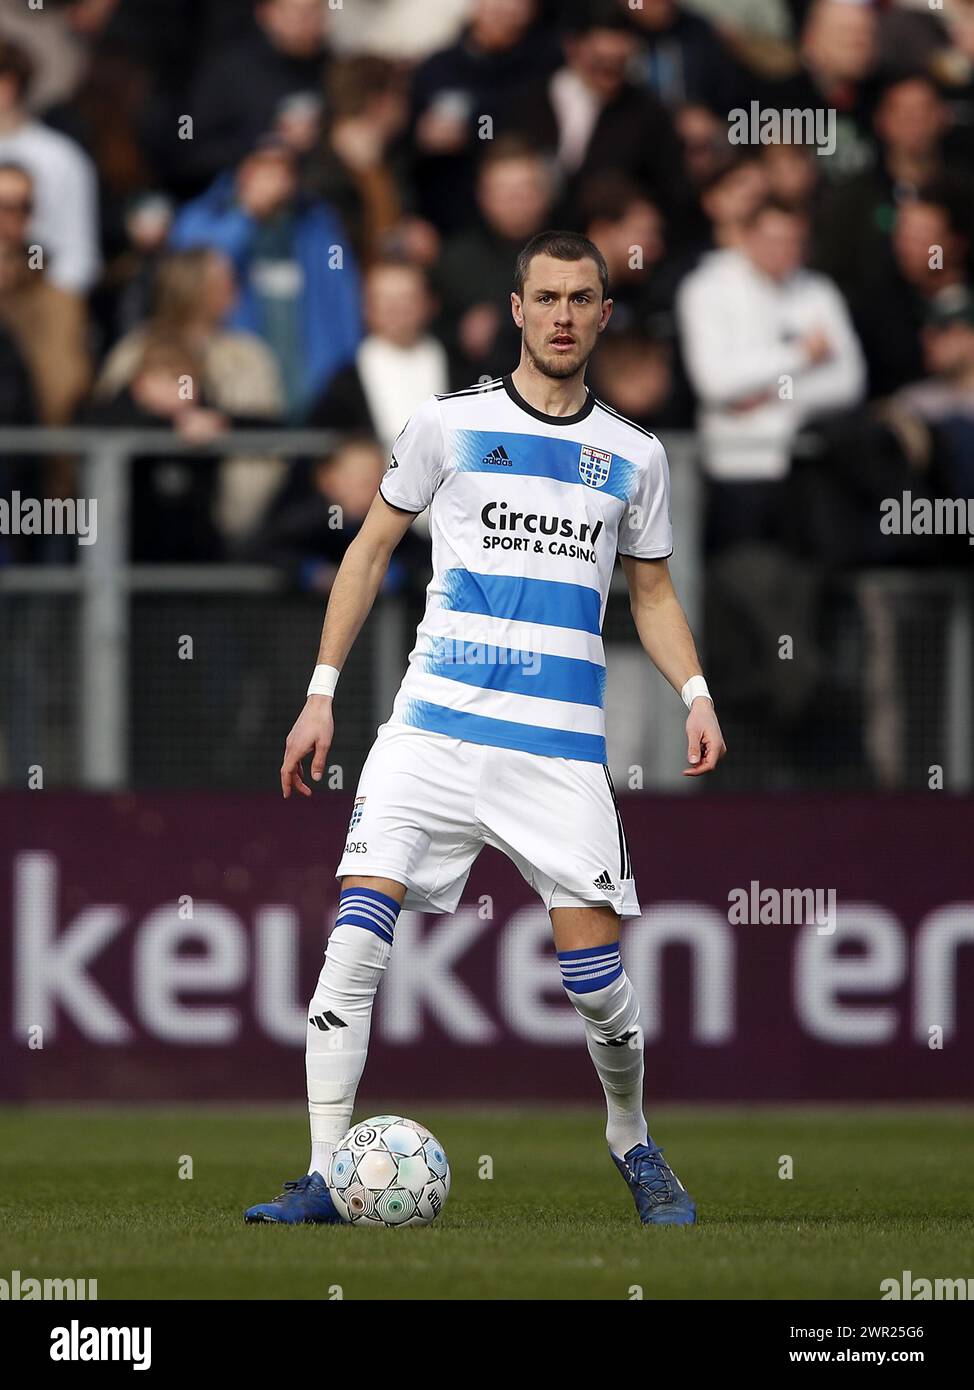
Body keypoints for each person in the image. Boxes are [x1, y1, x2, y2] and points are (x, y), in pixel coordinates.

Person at [244, 228, 726, 1230]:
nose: (560, 315)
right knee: (353, 937)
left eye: (579, 299)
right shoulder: (443, 425)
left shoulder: (634, 455)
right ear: (514, 309)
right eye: (543, 297)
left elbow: (650, 593)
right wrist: (322, 690)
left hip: (555, 750)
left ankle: (630, 1136)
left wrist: (694, 691)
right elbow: (371, 550)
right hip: (430, 727)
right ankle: (326, 1173)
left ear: (601, 313)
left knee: (598, 988)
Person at [169, 137, 363, 421]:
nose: (275, 178)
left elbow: (343, 296)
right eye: (263, 166)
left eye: (284, 168)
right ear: (241, 171)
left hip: (315, 392)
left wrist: (342, 373)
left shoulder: (318, 222)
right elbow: (194, 276)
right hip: (235, 387)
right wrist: (248, 214)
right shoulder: (205, 215)